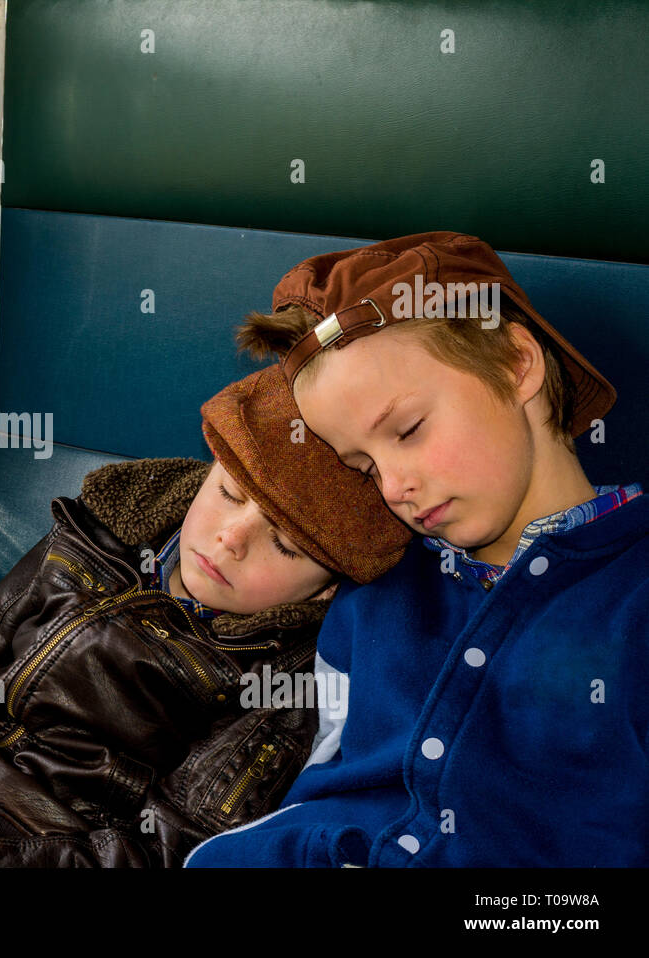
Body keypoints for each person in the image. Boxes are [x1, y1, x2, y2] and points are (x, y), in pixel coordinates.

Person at [0, 364, 409, 868]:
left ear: (325, 590)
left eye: (284, 544)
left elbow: (171, 846)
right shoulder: (94, 542)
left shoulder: (281, 688)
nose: (230, 537)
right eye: (229, 491)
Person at [186, 231, 648, 868]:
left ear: (518, 363)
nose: (394, 486)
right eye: (363, 465)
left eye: (408, 429)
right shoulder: (379, 589)